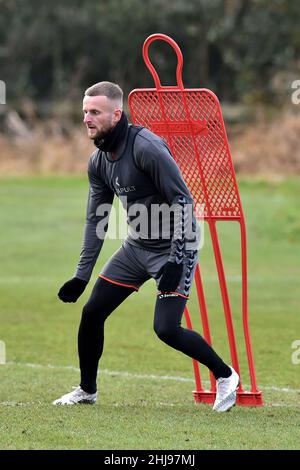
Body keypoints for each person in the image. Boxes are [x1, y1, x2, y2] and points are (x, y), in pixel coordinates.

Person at [53, 81, 239, 412]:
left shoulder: (147, 147)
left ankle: (225, 376)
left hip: (174, 247)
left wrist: (176, 261)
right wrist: (82, 276)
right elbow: (97, 221)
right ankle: (87, 390)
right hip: (137, 247)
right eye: (84, 112)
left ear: (116, 114)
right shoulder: (98, 162)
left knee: (166, 329)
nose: (87, 119)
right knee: (92, 312)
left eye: (94, 112)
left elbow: (183, 200)